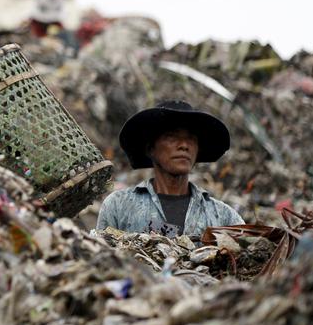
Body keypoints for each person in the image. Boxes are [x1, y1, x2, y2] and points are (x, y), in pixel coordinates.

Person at [95, 100, 243, 236]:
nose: (184, 145)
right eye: (172, 137)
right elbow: (103, 259)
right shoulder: (119, 207)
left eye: (191, 139)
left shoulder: (224, 218)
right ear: (150, 149)